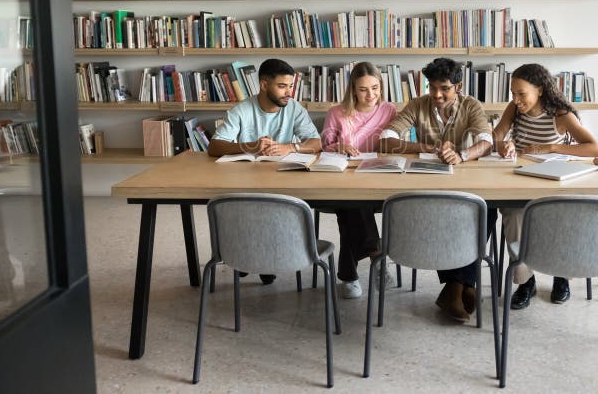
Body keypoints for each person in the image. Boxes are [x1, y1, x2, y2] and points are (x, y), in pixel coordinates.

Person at [379, 57, 493, 322]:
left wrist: (462, 155)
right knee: (444, 212)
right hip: (427, 180)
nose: (437, 95)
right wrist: (424, 148)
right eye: (432, 88)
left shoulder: (471, 105)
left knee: (487, 209)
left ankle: (456, 286)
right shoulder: (419, 104)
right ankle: (465, 286)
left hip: (463, 179)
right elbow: (386, 139)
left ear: (458, 86)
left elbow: (486, 141)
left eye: (445, 89)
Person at [493, 63, 598, 310]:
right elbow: (497, 133)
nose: (516, 100)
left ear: (540, 90)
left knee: (562, 215)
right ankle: (525, 281)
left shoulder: (560, 114)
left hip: (553, 184)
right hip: (520, 182)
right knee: (512, 214)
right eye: (512, 93)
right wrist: (502, 144)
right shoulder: (515, 108)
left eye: (522, 93)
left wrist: (551, 147)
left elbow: (594, 148)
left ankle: (561, 276)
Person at [208, 58, 322, 285]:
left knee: (277, 209)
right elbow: (214, 146)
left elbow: (316, 143)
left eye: (290, 86)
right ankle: (250, 257)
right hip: (248, 180)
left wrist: (291, 147)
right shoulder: (242, 110)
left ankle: (261, 259)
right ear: (263, 85)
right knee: (251, 207)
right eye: (282, 86)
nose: (288, 92)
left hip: (286, 178)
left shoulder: (294, 107)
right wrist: (248, 146)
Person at [321, 62, 398, 298]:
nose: (371, 95)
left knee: (350, 212)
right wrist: (339, 146)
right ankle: (376, 255)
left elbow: (394, 142)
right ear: (353, 89)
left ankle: (348, 276)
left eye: (375, 88)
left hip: (378, 179)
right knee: (351, 204)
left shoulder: (389, 110)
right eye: (363, 89)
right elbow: (322, 146)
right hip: (343, 178)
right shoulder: (337, 112)